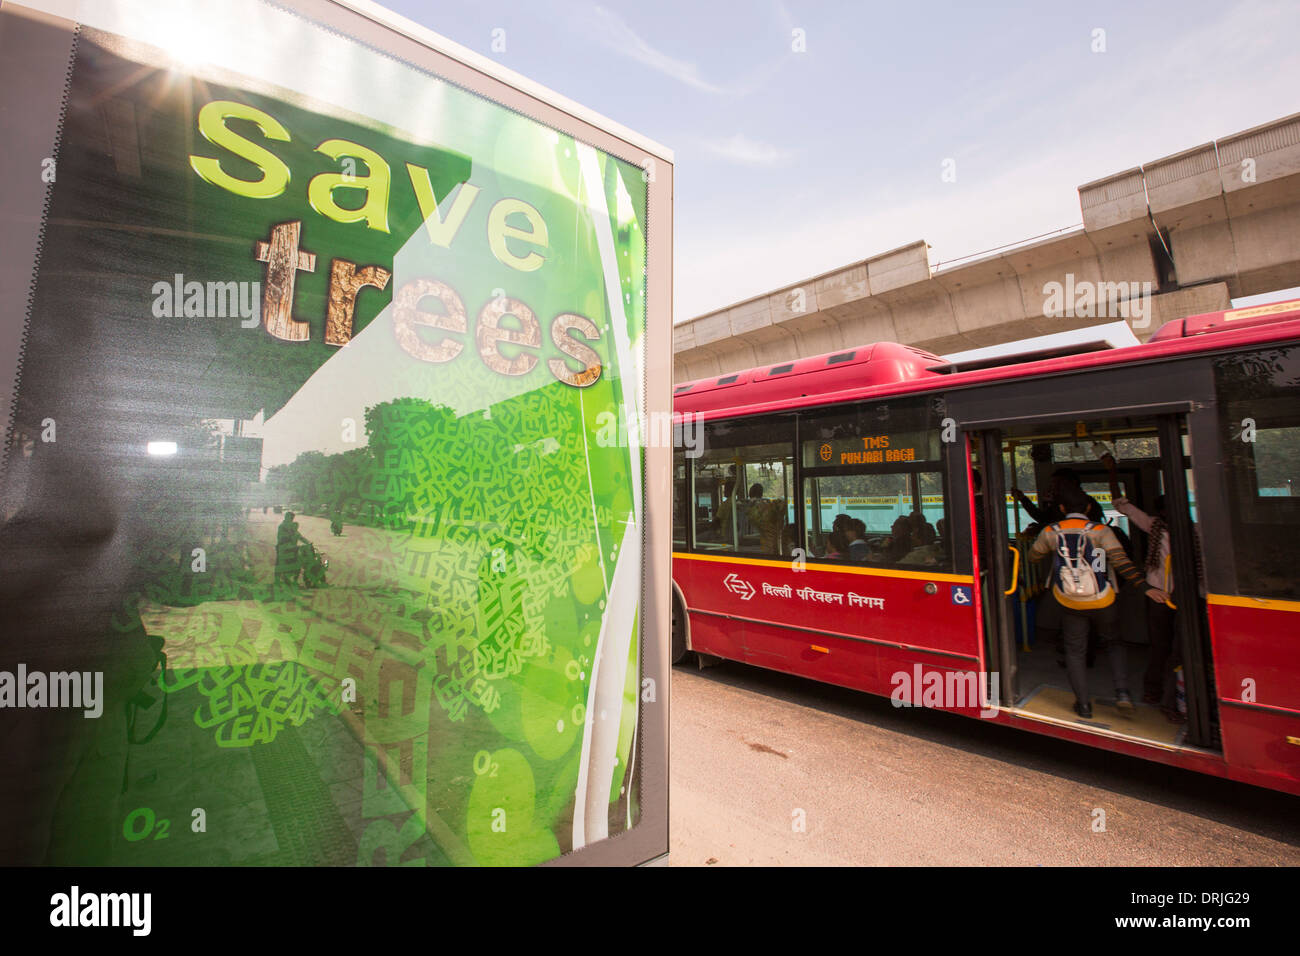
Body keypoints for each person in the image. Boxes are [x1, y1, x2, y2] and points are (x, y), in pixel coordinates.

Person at [1028, 485, 1169, 719]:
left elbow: (1034, 556)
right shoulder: (1101, 531)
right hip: (1104, 599)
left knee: (1075, 651)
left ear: (1061, 508)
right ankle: (1122, 693)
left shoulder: (1051, 531)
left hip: (1069, 600)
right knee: (1114, 643)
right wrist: (1146, 588)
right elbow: (1122, 563)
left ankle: (1083, 705)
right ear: (1089, 507)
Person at [1103, 453, 1203, 722]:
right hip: (1159, 595)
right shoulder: (1155, 527)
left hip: (1187, 596)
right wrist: (1111, 472)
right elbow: (1122, 505)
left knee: (1180, 650)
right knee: (1161, 647)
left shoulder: (1196, 532)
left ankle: (1173, 699)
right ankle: (1155, 690)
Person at [275, 510, 307, 589]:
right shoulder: (282, 527)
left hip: (292, 549)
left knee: (298, 563)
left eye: (292, 518)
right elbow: (281, 538)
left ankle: (294, 581)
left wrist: (308, 543)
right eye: (289, 517)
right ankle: (277, 581)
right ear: (286, 517)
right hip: (283, 549)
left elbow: (300, 537)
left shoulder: (292, 527)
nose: (291, 519)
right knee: (281, 565)